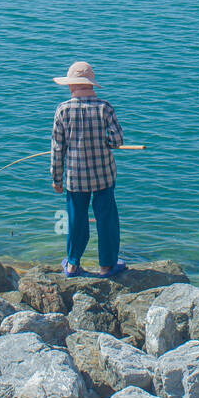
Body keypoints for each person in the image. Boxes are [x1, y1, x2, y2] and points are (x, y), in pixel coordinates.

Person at [50, 61, 127, 277]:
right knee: (106, 219)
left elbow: (57, 149)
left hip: (75, 177)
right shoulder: (105, 108)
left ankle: (73, 264)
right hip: (104, 175)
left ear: (72, 85)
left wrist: (56, 179)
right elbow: (117, 141)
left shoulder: (63, 110)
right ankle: (107, 265)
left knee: (76, 219)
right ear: (91, 85)